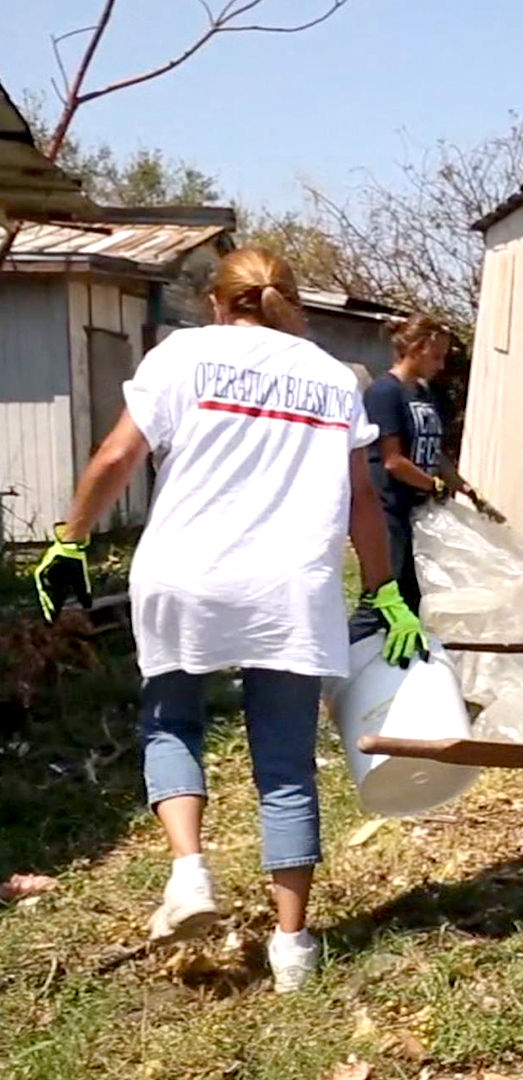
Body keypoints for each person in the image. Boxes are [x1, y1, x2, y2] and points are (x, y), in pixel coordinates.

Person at [31, 248, 425, 993]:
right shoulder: (332, 377)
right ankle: (294, 950)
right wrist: (385, 591)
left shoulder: (183, 354)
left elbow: (117, 455)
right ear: (286, 303)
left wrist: (70, 538)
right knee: (284, 767)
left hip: (185, 575)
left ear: (218, 301)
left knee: (171, 722)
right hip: (289, 587)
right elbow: (364, 501)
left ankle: (189, 875)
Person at [363, 314, 471, 611]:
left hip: (420, 511)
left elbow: (433, 450)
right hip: (390, 511)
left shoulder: (423, 393)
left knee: (415, 597)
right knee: (387, 598)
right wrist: (432, 485)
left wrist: (462, 486)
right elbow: (393, 461)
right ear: (417, 349)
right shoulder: (384, 392)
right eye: (436, 356)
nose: (440, 365)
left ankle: (402, 656)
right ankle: (352, 650)